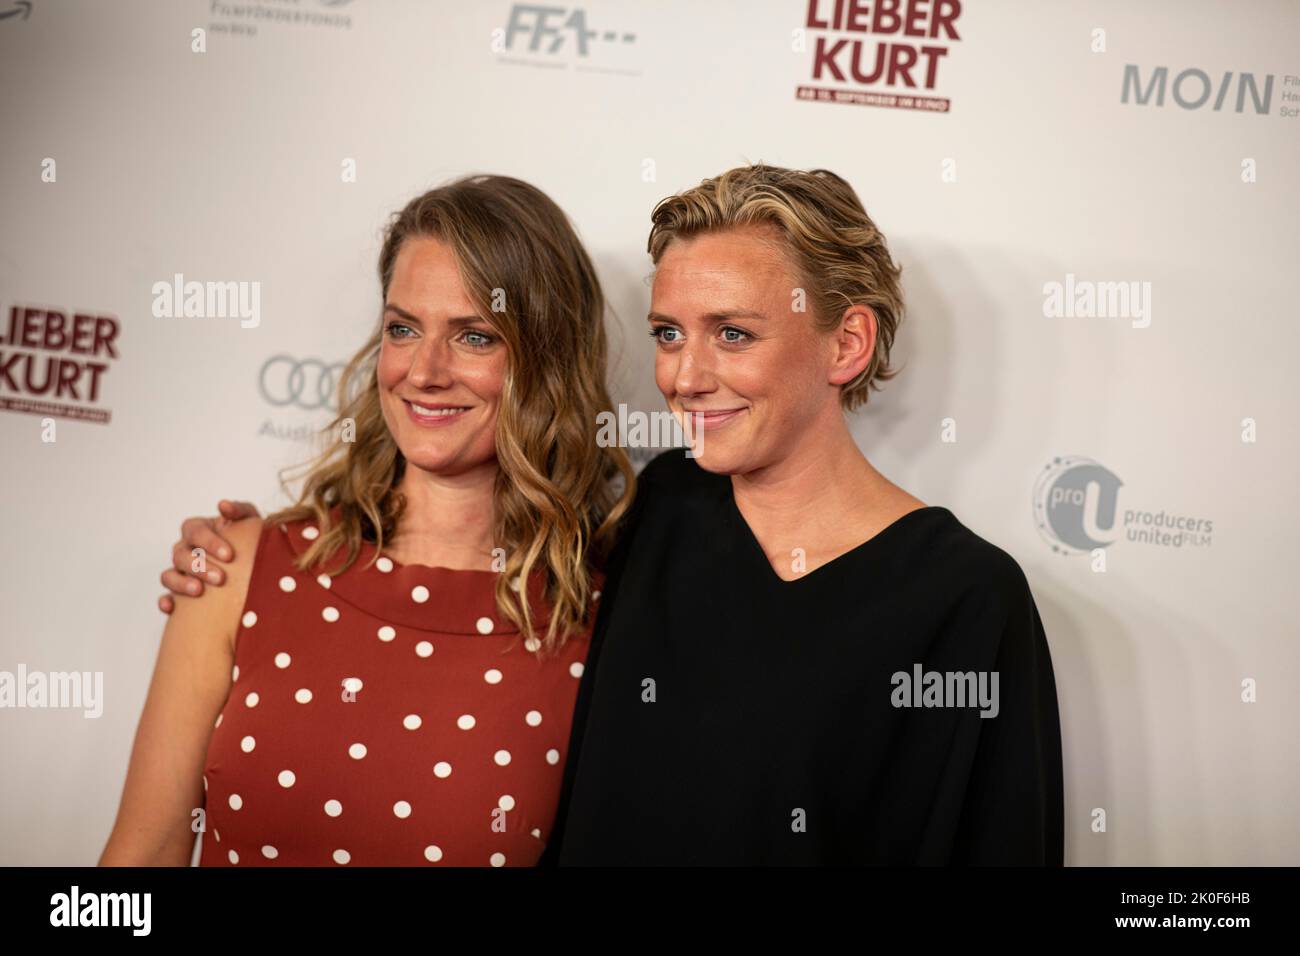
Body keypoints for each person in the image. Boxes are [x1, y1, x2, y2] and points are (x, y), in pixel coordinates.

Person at [158, 164, 1064, 865]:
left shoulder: (966, 600)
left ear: (847, 341)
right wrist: (245, 552)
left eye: (733, 334)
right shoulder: (653, 516)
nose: (684, 375)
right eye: (668, 334)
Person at [100, 174, 634, 867]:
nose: (425, 370)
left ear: (548, 361)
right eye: (403, 329)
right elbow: (142, 856)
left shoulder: (600, 626)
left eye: (474, 336)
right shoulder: (237, 569)